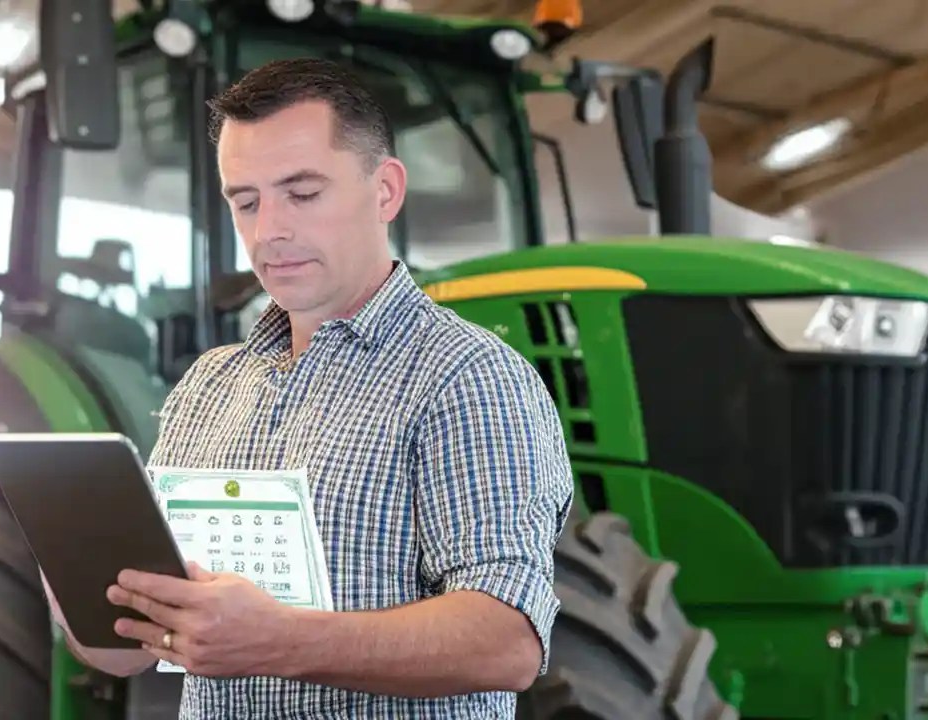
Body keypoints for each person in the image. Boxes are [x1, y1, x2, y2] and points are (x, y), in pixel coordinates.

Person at [94, 57, 573, 718]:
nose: (269, 231)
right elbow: (129, 650)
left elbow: (509, 642)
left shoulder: (467, 377)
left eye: (303, 192)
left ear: (386, 191)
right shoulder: (206, 387)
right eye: (246, 200)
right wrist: (82, 578)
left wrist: (279, 641)